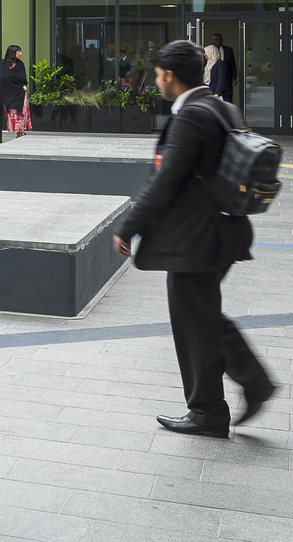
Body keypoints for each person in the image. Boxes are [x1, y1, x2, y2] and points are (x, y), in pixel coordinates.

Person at [113, 38, 276, 438]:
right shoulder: (222, 106)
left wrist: (128, 226)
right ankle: (244, 385)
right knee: (199, 316)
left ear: (169, 75)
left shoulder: (191, 117)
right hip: (223, 231)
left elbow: (164, 179)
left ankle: (209, 410)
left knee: (195, 320)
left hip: (198, 239)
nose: (155, 80)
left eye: (156, 74)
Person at [0, 44, 31, 135]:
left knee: (21, 111)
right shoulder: (3, 64)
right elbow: (2, 77)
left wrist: (11, 78)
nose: (20, 53)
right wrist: (12, 78)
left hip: (19, 91)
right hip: (8, 91)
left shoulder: (20, 64)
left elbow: (21, 78)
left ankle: (20, 131)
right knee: (12, 111)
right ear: (12, 53)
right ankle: (17, 131)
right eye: (18, 52)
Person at [209, 33, 238, 102]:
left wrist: (234, 77)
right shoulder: (209, 51)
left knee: (228, 102)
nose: (218, 42)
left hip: (227, 82)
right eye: (215, 40)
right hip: (214, 84)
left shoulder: (229, 50)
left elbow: (233, 65)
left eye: (220, 40)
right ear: (212, 41)